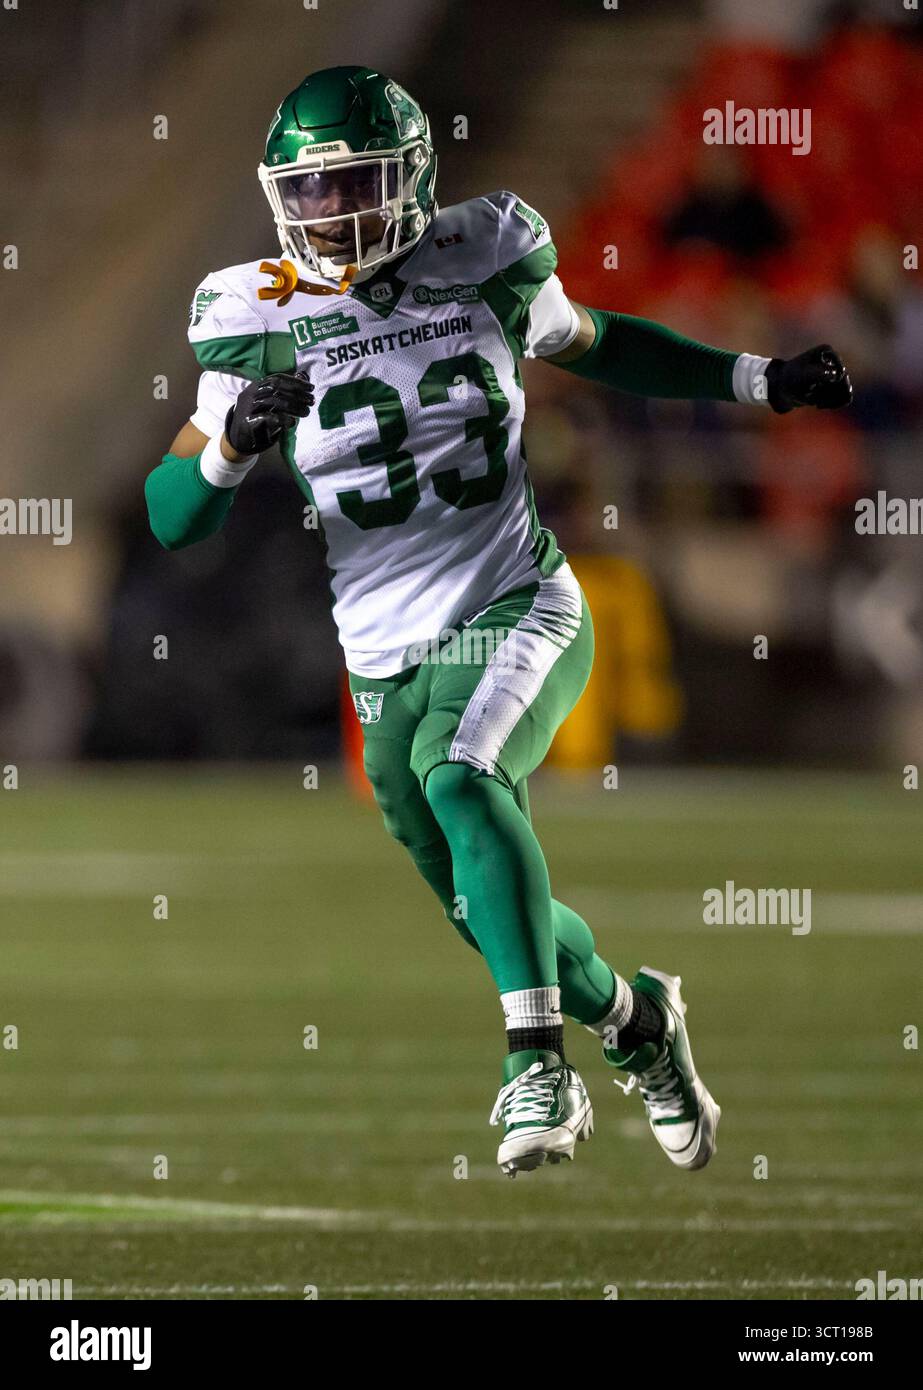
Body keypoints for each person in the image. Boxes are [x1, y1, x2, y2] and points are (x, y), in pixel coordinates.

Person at [145, 66, 852, 1177]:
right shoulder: (254, 316)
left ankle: (539, 1067)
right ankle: (636, 1026)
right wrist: (232, 448)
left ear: (413, 177)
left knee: (467, 779)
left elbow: (600, 340)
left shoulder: (483, 257)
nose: (332, 213)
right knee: (487, 909)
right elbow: (170, 514)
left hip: (517, 601)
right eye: (311, 190)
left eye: (355, 184)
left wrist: (755, 380)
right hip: (381, 662)